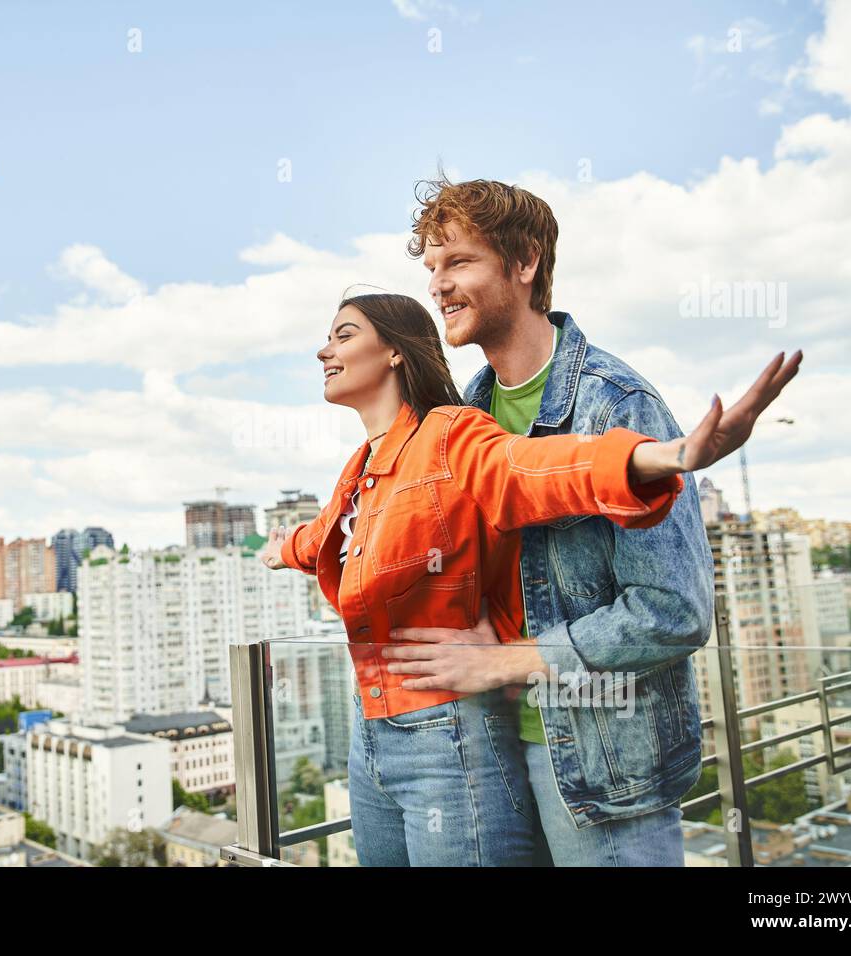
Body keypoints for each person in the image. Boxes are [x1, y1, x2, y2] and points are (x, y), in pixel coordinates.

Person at [261, 290, 800, 866]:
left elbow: (535, 469)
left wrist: (663, 458)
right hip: (370, 735)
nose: (324, 352)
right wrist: (280, 549)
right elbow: (327, 535)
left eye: (343, 335)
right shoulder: (362, 465)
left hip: (448, 735)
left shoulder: (449, 433)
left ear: (395, 352)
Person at [383, 174, 802, 866]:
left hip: (605, 769)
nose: (437, 286)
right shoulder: (463, 419)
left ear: (525, 265)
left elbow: (674, 611)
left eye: (458, 261)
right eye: (431, 267)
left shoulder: (617, 405)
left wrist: (509, 661)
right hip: (487, 757)